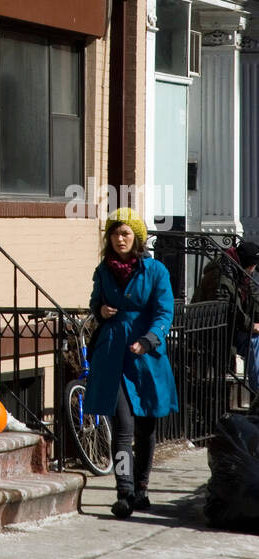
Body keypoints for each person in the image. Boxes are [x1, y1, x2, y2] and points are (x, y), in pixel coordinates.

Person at [84, 208, 179, 519]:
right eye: (115, 234)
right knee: (123, 428)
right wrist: (101, 310)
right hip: (113, 355)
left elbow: (165, 312)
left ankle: (142, 487)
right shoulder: (103, 270)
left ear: (136, 238)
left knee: (146, 427)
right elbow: (94, 301)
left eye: (125, 234)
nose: (119, 239)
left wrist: (150, 339)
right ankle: (123, 491)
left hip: (146, 357)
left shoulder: (155, 271)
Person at [194, 239, 259, 393]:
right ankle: (257, 395)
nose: (254, 269)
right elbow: (231, 311)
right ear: (247, 263)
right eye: (253, 265)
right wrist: (252, 326)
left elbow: (254, 300)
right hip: (213, 331)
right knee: (254, 341)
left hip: (232, 328)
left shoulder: (239, 273)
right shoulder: (223, 275)